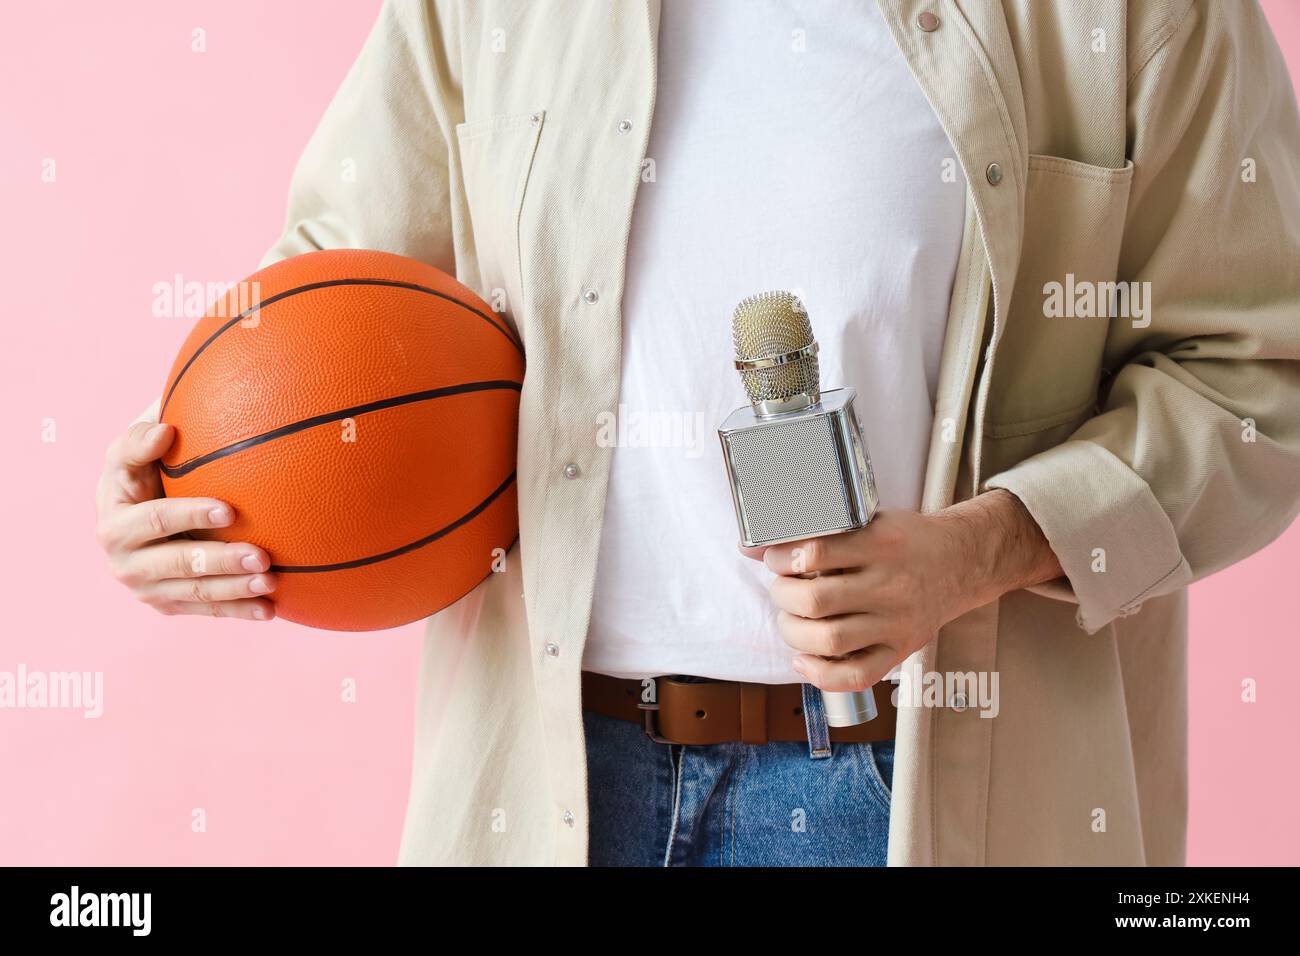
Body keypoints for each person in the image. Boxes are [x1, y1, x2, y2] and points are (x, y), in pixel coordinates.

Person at [95, 0, 1300, 866]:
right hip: (559, 779)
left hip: (919, 793)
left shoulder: (1140, 16)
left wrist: (979, 549)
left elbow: (1261, 373)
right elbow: (329, 303)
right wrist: (196, 473)